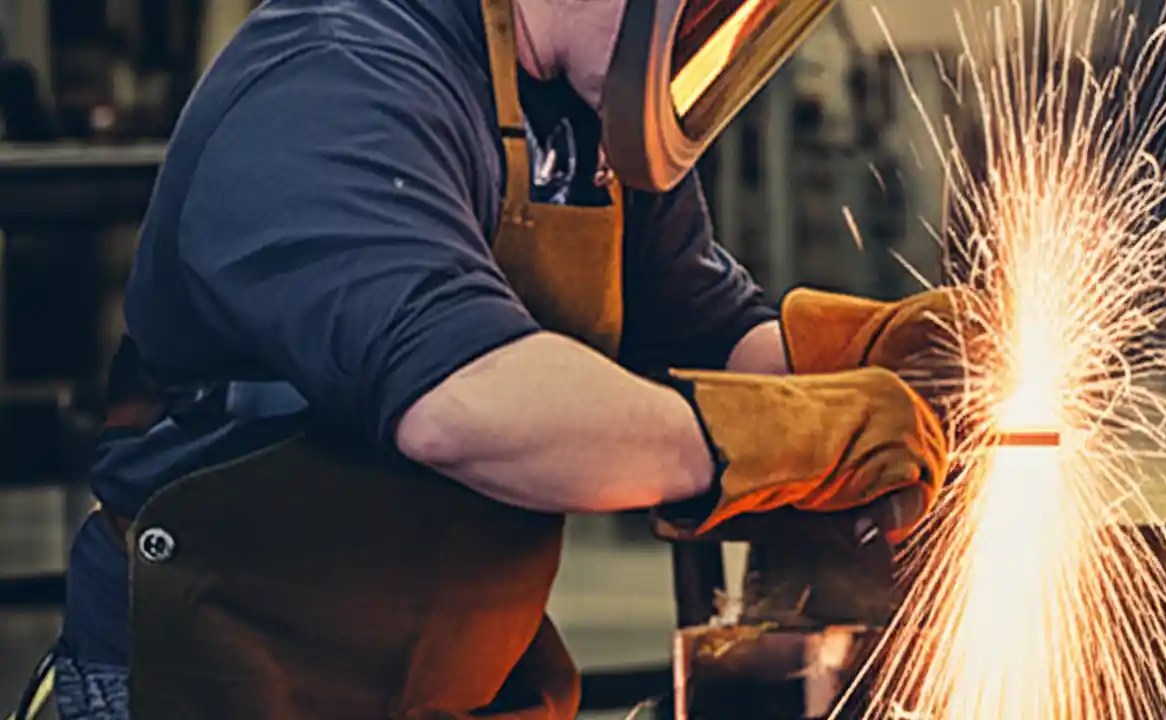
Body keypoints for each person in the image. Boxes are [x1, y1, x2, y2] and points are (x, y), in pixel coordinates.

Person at [51, 1, 960, 718]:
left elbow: (712, 342)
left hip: (454, 682)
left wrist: (890, 363)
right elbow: (468, 405)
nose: (698, 40)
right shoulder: (344, 77)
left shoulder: (595, 116)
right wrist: (803, 434)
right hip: (225, 683)